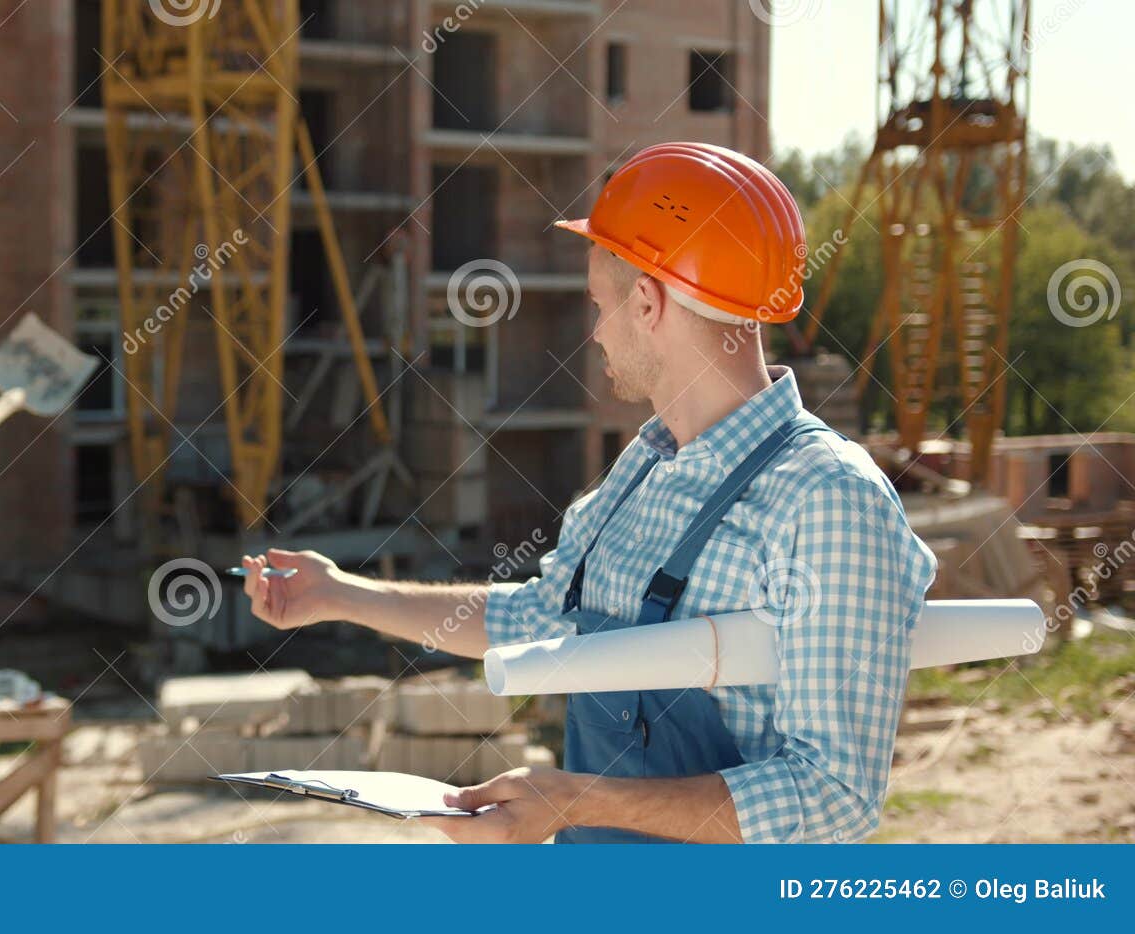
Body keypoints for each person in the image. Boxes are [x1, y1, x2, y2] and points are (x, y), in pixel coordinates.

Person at [237, 142, 937, 844]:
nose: (595, 331)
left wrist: (579, 803)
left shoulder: (828, 501)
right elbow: (545, 620)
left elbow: (835, 794)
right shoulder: (645, 466)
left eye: (600, 305)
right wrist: (340, 596)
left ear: (647, 300)